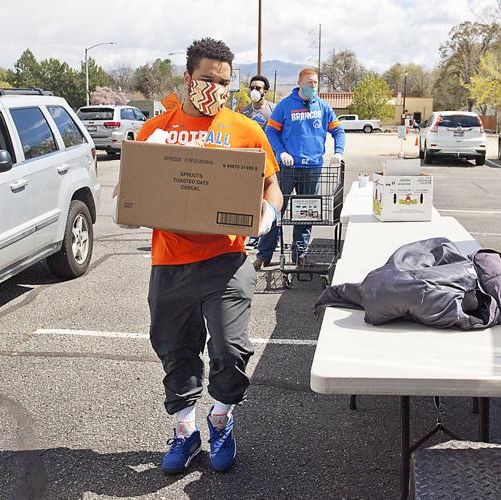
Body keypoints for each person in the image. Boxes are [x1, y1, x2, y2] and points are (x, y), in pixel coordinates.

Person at [135, 38, 282, 474]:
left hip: (226, 259)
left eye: (223, 82)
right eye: (207, 79)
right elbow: (135, 184)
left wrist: (268, 213)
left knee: (231, 348)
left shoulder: (245, 130)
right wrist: (131, 200)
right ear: (187, 78)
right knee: (175, 348)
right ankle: (185, 431)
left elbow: (270, 184)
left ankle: (220, 419)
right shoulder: (157, 130)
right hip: (170, 261)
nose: (215, 89)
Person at [254, 67, 345, 269]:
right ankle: (264, 254)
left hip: (313, 168)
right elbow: (271, 131)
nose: (313, 86)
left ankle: (300, 254)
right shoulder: (285, 105)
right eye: (309, 82)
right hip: (288, 168)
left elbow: (338, 131)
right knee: (275, 210)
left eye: (315, 83)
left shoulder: (323, 107)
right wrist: (281, 152)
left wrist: (339, 152)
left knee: (306, 212)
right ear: (299, 83)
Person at [239, 75, 275, 249]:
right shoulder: (244, 113)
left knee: (269, 199)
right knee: (252, 199)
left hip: (270, 161)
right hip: (251, 162)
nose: (254, 90)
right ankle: (253, 235)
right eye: (252, 87)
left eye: (258, 88)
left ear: (265, 91)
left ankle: (271, 237)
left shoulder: (273, 110)